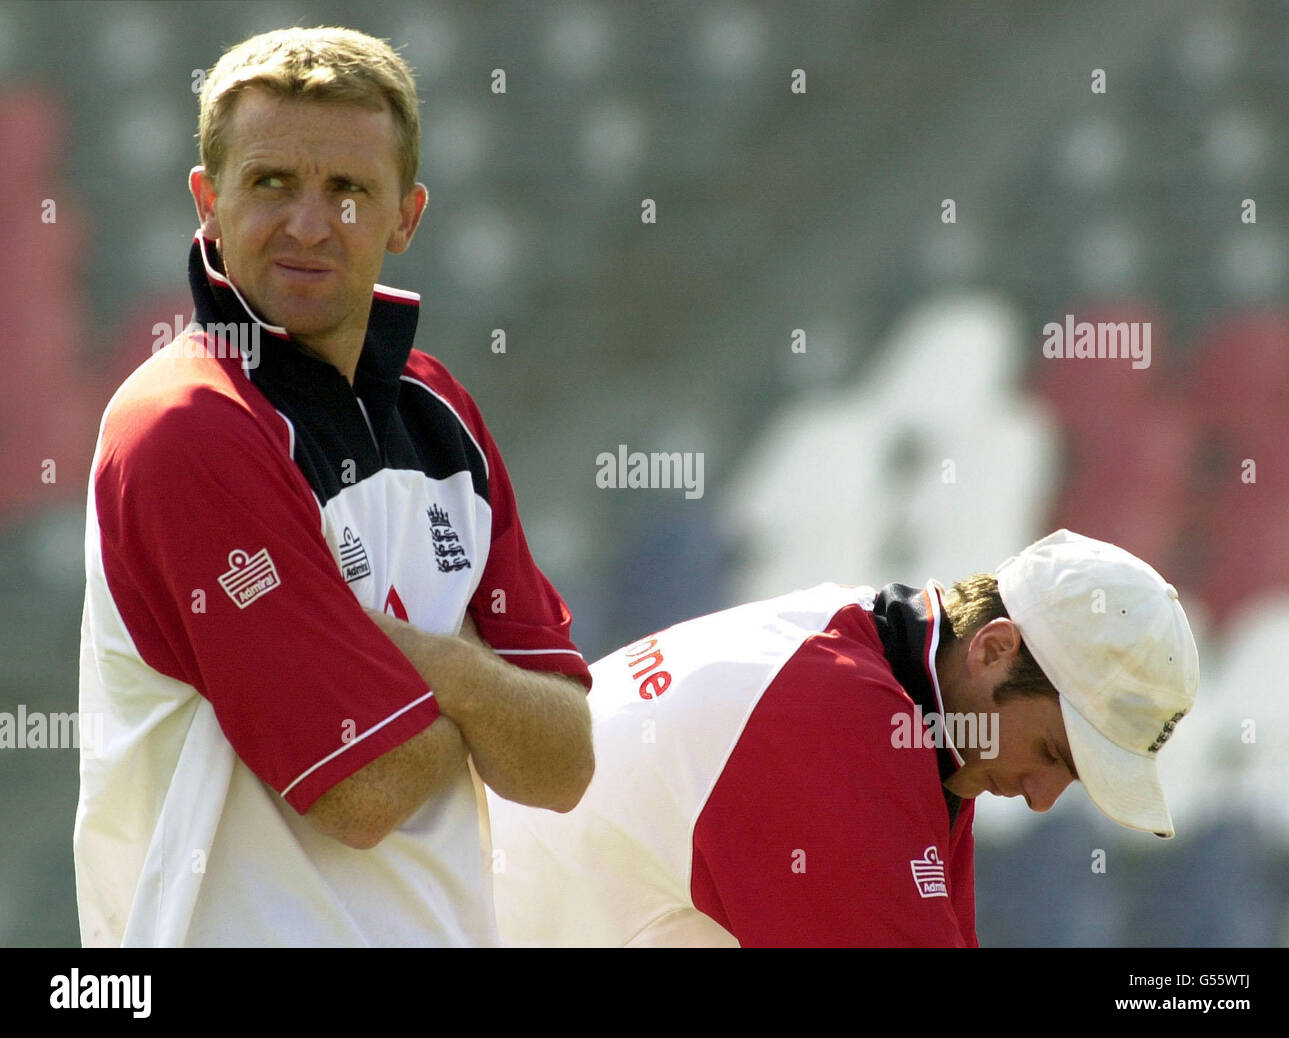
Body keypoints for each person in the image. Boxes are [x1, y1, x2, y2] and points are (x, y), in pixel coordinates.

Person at [74, 27, 593, 947]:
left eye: (349, 191)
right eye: (272, 182)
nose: (310, 225)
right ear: (208, 201)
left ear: (407, 216)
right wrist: (484, 688)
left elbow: (563, 760)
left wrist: (427, 663)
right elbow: (364, 788)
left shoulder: (442, 411)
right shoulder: (185, 424)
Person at [487, 529, 1199, 947]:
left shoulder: (902, 690)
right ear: (994, 648)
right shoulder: (839, 726)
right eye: (1053, 755)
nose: (1043, 800)